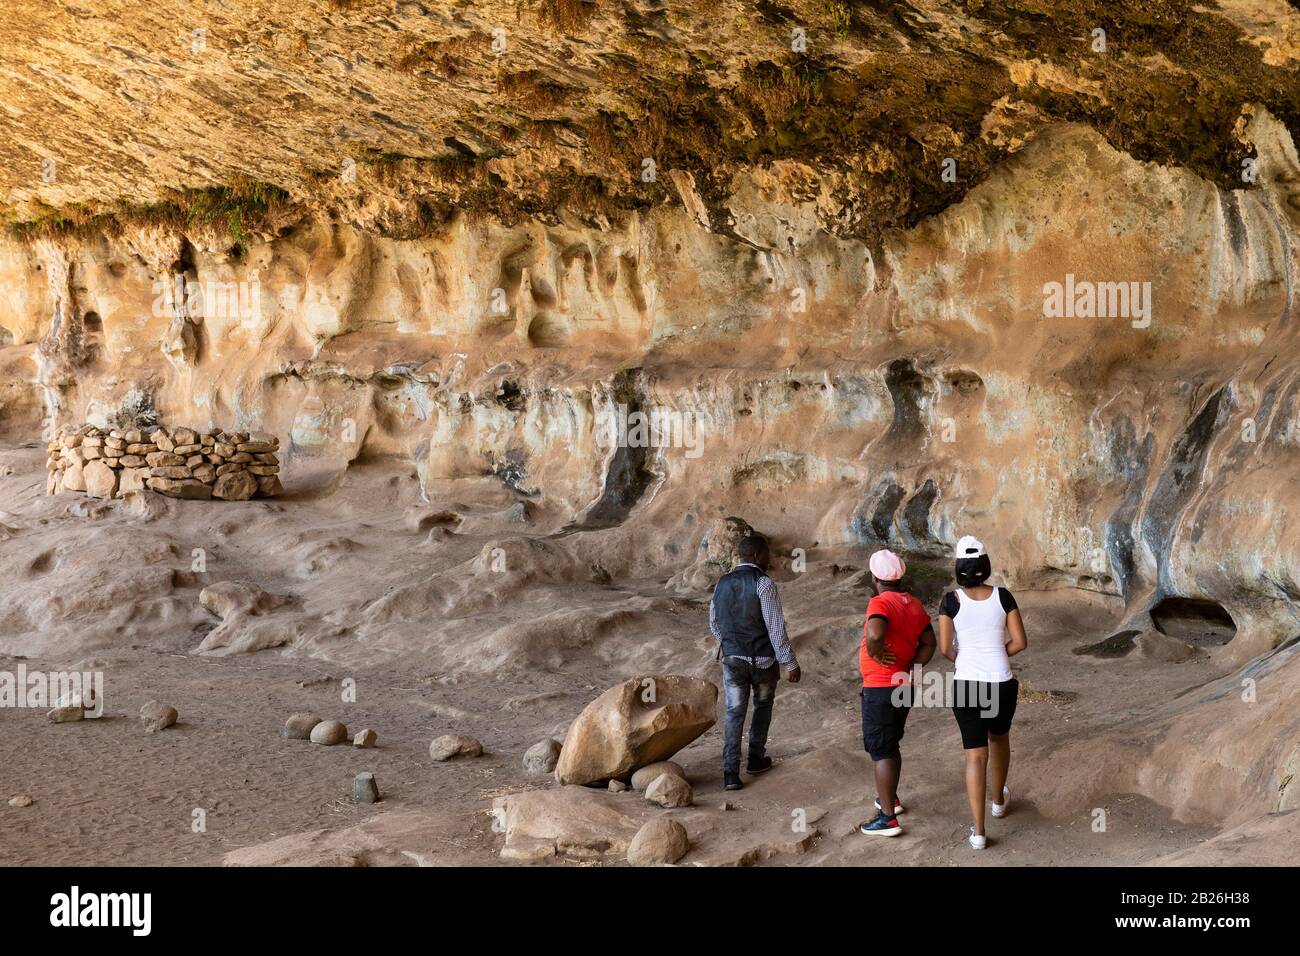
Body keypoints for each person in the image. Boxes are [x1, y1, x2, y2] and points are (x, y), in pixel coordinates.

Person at [937, 535, 1028, 849]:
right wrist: (998, 652)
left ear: (959, 567)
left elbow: (945, 648)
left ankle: (978, 832)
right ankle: (999, 801)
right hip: (1001, 683)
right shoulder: (1003, 597)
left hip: (968, 685)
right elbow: (1020, 642)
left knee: (975, 757)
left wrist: (964, 658)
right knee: (999, 738)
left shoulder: (950, 601)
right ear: (985, 564)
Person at [709, 534, 801, 791]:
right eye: (767, 554)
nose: (769, 558)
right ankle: (756, 758)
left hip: (733, 660)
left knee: (734, 712)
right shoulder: (764, 584)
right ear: (758, 555)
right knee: (762, 706)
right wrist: (790, 662)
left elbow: (714, 623)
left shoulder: (721, 584)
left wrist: (730, 644)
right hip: (763, 661)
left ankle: (730, 773)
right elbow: (775, 629)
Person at [857, 549, 936, 837]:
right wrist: (913, 663)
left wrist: (876, 653)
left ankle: (887, 817)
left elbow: (876, 633)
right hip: (903, 684)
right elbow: (929, 642)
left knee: (881, 750)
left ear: (875, 577)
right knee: (891, 745)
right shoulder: (914, 604)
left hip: (881, 686)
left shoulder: (880, 603)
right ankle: (891, 799)